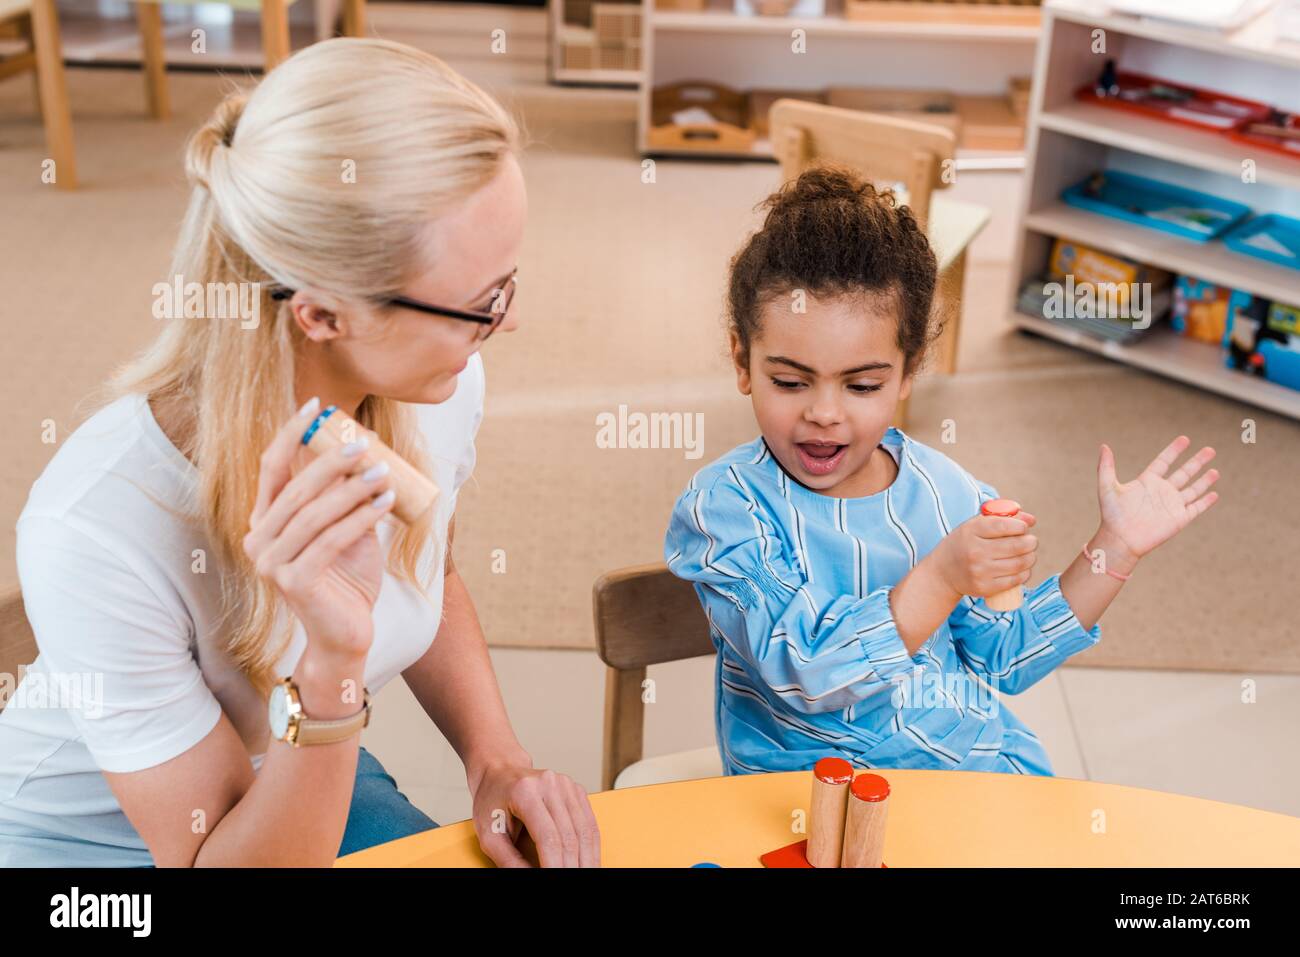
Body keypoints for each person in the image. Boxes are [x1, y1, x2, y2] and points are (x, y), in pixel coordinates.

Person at [0, 38, 599, 867]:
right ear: (319, 315)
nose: (508, 323)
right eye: (480, 303)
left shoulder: (441, 381)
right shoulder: (99, 523)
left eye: (506, 286)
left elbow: (433, 572)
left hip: (305, 762)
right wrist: (332, 659)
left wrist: (495, 757)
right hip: (100, 853)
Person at [663, 165, 1221, 776]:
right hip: (813, 799)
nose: (824, 414)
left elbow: (1005, 659)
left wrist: (1113, 550)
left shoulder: (947, 491)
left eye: (864, 384)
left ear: (908, 373)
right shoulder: (724, 507)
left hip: (971, 768)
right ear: (742, 359)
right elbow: (806, 673)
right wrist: (942, 575)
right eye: (790, 381)